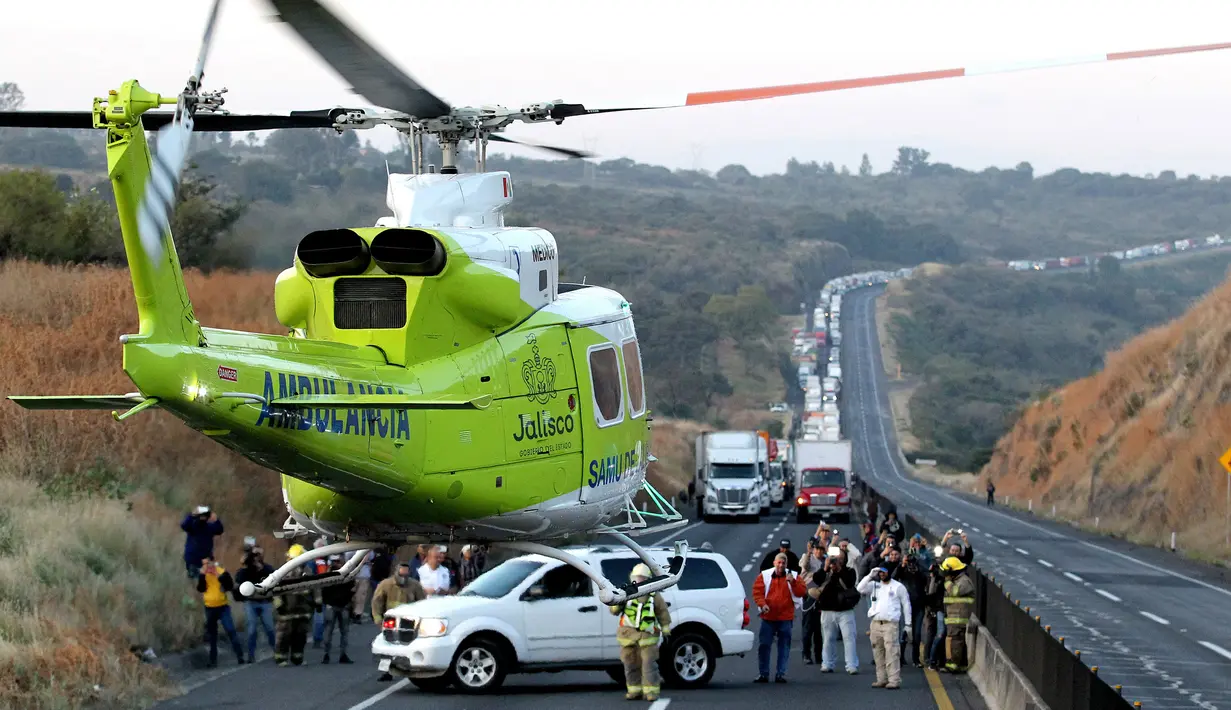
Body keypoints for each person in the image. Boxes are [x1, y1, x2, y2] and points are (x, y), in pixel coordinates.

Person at [608, 564, 671, 701]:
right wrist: (617, 602)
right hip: (628, 636)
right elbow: (614, 611)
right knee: (630, 665)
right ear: (632, 578)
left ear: (648, 579)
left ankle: (651, 692)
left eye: (642, 577)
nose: (639, 580)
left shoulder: (654, 595)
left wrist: (665, 629)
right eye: (637, 577)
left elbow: (662, 612)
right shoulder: (626, 594)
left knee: (649, 665)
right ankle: (634, 690)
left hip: (648, 636)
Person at [751, 552, 805, 683]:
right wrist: (762, 604)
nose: (781, 565)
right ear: (774, 563)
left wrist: (792, 582)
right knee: (764, 645)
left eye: (783, 563)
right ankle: (763, 673)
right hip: (768, 617)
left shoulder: (794, 576)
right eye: (779, 563)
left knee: (784, 646)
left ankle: (781, 673)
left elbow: (802, 592)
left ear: (786, 565)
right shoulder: (764, 576)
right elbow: (757, 592)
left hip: (785, 618)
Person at [857, 565, 911, 690]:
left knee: (892, 652)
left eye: (884, 572)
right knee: (878, 652)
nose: (881, 574)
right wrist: (870, 575)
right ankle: (881, 679)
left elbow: (906, 605)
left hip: (890, 625)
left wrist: (908, 624)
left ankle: (894, 680)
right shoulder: (874, 586)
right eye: (880, 572)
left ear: (890, 573)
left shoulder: (898, 587)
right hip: (875, 624)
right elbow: (860, 589)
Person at [371, 562, 426, 681]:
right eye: (401, 574)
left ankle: (412, 669)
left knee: (409, 646)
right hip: (390, 622)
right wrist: (378, 619)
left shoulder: (415, 585)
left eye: (406, 575)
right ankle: (386, 671)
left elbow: (422, 603)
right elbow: (377, 602)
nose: (403, 578)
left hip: (409, 622)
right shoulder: (385, 585)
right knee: (386, 647)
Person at [274, 544, 320, 667]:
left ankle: (297, 658)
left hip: (303, 611)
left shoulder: (307, 572)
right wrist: (279, 605)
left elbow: (315, 588)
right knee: (284, 636)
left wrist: (318, 602)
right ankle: (281, 659)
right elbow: (275, 590)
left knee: (300, 636)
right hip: (287, 612)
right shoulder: (283, 573)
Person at [816, 549, 861, 674]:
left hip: (845, 610)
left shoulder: (849, 571)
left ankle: (851, 665)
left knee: (849, 637)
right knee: (828, 638)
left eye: (840, 558)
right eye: (835, 558)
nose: (837, 561)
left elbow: (849, 583)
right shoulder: (826, 571)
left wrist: (839, 569)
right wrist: (826, 567)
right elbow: (817, 580)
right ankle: (827, 663)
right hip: (827, 609)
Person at [196, 556, 245, 668]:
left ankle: (240, 656)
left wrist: (218, 576)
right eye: (204, 564)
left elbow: (230, 586)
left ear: (213, 562)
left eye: (208, 563)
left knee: (231, 630)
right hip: (209, 608)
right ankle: (213, 661)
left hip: (222, 607)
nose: (206, 566)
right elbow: (201, 588)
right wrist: (202, 575)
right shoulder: (203, 575)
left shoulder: (222, 572)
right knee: (212, 635)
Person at [234, 546, 276, 663]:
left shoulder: (267, 568)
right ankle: (251, 655)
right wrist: (244, 565)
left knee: (270, 628)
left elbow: (273, 579)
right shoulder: (247, 569)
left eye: (259, 554)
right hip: (251, 601)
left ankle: (277, 651)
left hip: (265, 601)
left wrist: (261, 568)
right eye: (255, 555)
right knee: (252, 629)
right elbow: (239, 579)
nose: (257, 557)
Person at [941, 556, 975, 673]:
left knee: (955, 640)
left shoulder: (964, 581)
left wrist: (947, 580)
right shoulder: (957, 580)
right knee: (959, 640)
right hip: (954, 615)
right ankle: (961, 665)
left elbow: (954, 592)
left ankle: (953, 665)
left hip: (959, 616)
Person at [320, 555, 354, 664]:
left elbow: (352, 589)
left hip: (339, 605)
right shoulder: (343, 574)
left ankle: (334, 655)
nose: (337, 564)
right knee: (334, 631)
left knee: (335, 631)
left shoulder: (329, 575)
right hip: (336, 605)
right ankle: (330, 654)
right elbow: (352, 589)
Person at [799, 541, 825, 664]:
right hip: (808, 595)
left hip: (821, 596)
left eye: (821, 550)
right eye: (817, 549)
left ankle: (819, 655)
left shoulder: (826, 562)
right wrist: (809, 553)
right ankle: (806, 654)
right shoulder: (808, 558)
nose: (819, 552)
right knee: (807, 628)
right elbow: (805, 566)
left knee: (819, 630)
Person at [181, 506, 223, 580]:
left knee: (202, 581)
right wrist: (192, 515)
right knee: (196, 579)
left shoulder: (209, 527)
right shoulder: (193, 526)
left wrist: (216, 519)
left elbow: (219, 530)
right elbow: (184, 526)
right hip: (194, 559)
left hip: (203, 560)